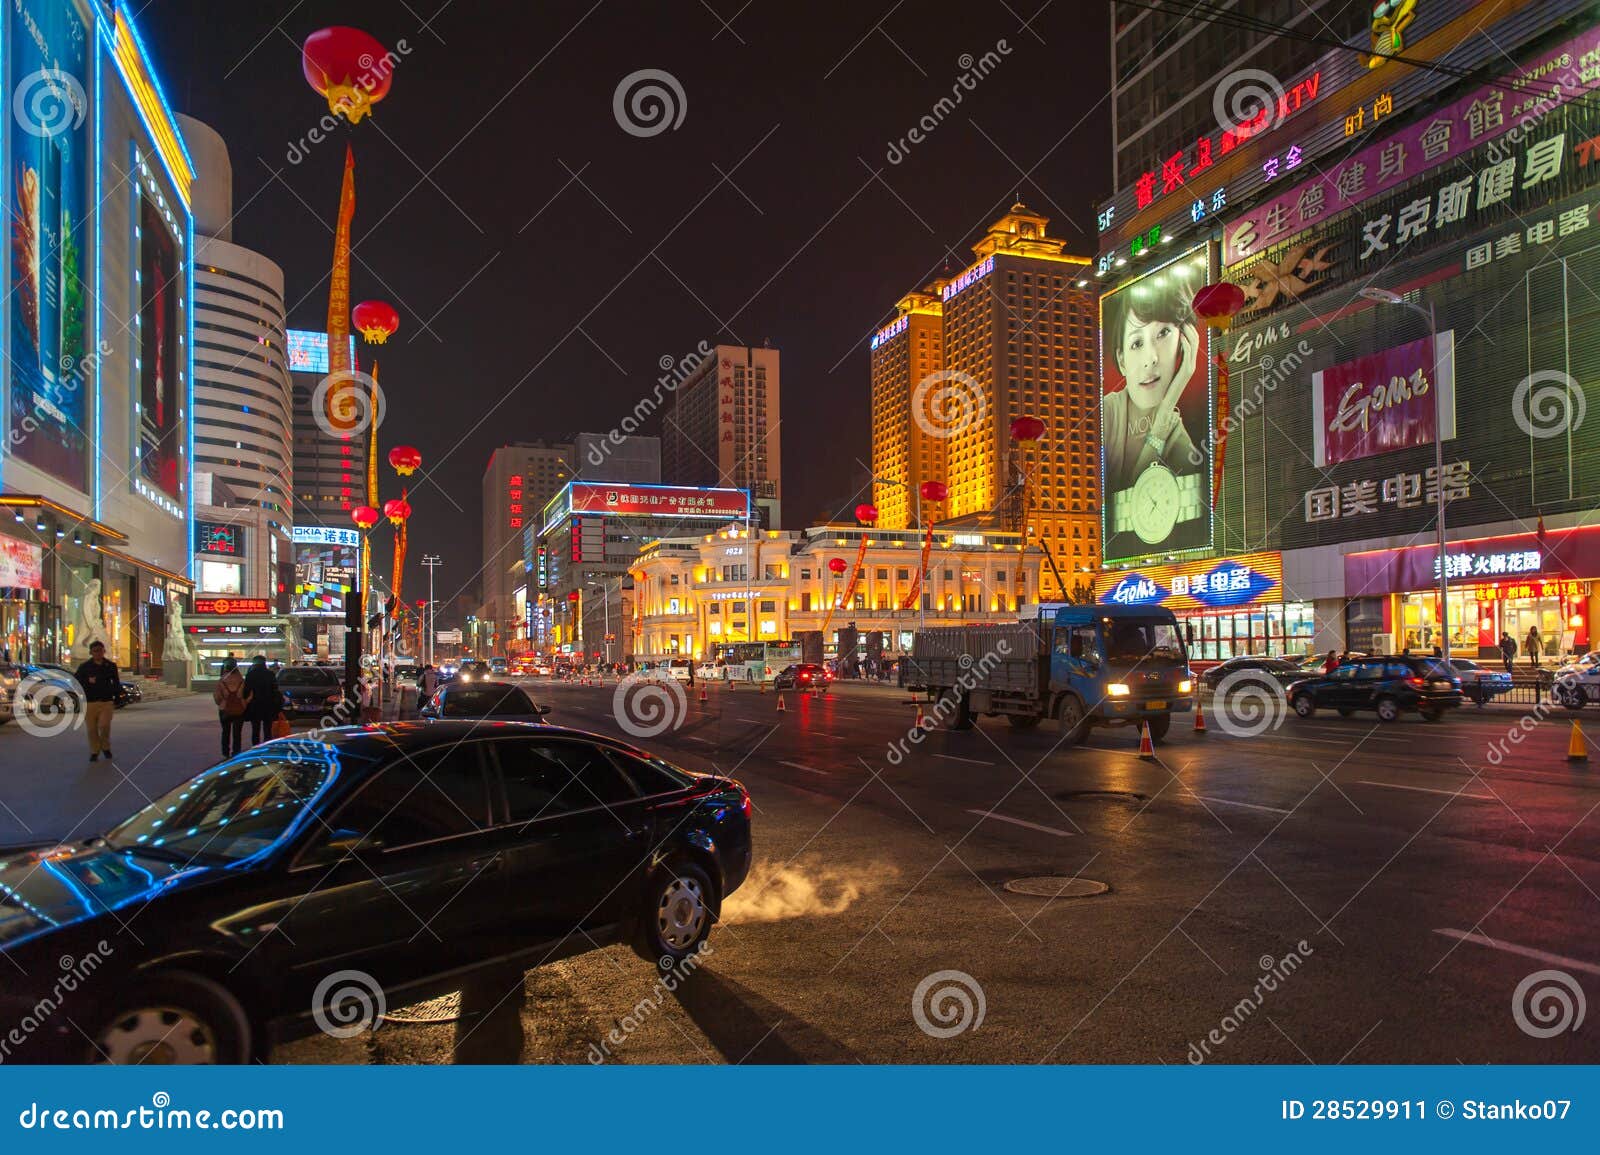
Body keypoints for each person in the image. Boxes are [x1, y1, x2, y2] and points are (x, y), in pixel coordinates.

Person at [1103, 267, 1204, 536]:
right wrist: (1175, 391)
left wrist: (1182, 380)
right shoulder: (1108, 413)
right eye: (1137, 344)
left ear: (1184, 343)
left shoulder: (1177, 432)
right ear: (1122, 359)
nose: (1151, 359)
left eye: (1163, 335)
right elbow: (1130, 493)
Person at [75, 640, 119, 762]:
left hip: (106, 701)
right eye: (95, 651)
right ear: (91, 652)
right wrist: (88, 681)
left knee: (104, 725)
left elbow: (116, 683)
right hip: (90, 702)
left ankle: (105, 746)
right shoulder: (85, 667)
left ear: (103, 651)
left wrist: (117, 696)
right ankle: (95, 751)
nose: (98, 653)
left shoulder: (110, 666)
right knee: (91, 729)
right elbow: (76, 681)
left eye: (100, 650)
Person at [212, 657, 249, 757]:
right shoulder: (241, 680)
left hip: (225, 709)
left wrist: (221, 703)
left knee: (225, 732)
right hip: (239, 709)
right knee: (237, 733)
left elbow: (217, 696)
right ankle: (236, 752)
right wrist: (244, 703)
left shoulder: (222, 680)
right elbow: (248, 694)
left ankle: (225, 753)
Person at [242, 654, 280, 747]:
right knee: (267, 729)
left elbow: (246, 690)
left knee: (255, 729)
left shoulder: (250, 675)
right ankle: (267, 747)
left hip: (254, 705)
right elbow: (275, 689)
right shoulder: (270, 674)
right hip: (268, 705)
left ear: (254, 664)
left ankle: (256, 747)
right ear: (264, 663)